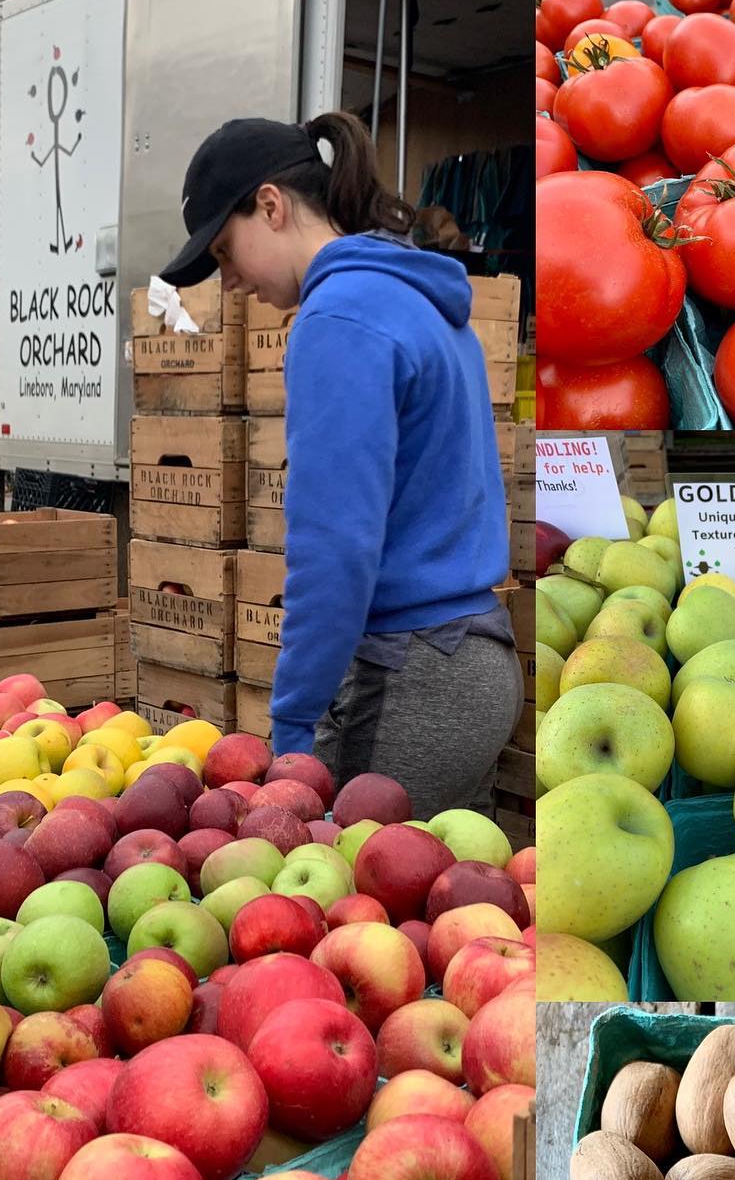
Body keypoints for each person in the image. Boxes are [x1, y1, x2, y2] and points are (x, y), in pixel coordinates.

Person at [158, 113, 521, 819]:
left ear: (271, 205)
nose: (228, 282)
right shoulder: (416, 297)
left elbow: (335, 550)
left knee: (347, 910)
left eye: (227, 253)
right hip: (474, 659)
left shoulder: (340, 319)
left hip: (410, 681)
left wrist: (292, 733)